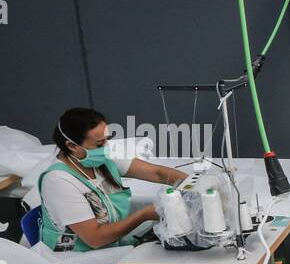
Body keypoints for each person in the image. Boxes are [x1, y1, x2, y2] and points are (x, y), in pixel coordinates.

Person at [37, 107, 187, 251]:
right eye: (99, 143)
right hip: (80, 257)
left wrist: (193, 184)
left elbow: (157, 173)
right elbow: (95, 238)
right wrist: (144, 215)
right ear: (72, 146)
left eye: (106, 140)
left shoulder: (102, 159)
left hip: (114, 242)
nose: (106, 147)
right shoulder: (58, 181)